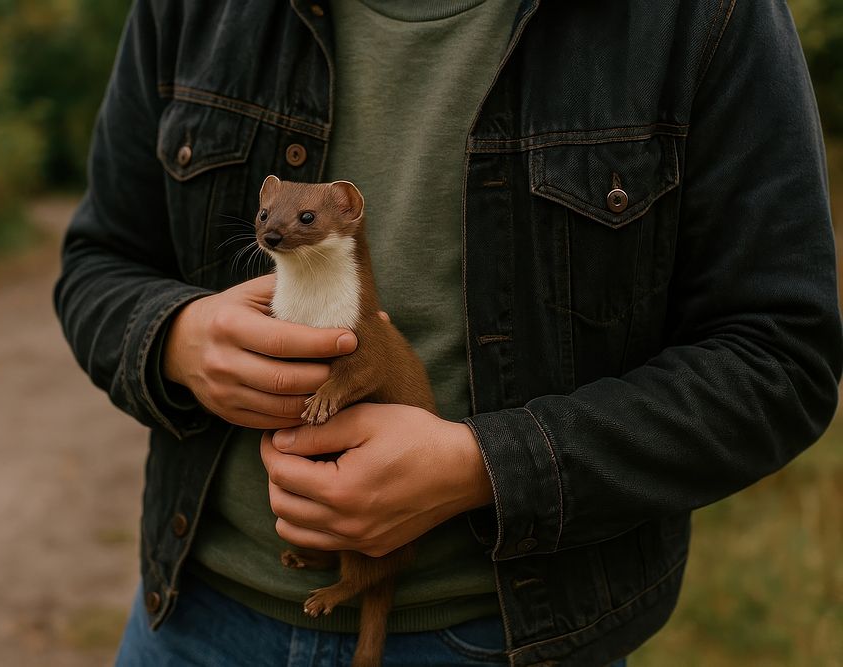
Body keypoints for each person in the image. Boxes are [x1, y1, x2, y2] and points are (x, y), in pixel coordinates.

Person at [53, 1, 842, 665]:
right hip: (194, 619)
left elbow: (780, 356)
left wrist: (486, 465)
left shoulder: (705, 16)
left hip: (506, 636)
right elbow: (99, 259)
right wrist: (179, 337)